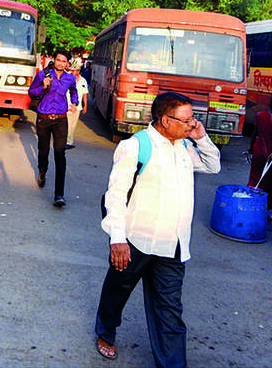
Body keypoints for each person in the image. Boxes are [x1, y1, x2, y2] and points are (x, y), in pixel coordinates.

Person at [94, 92, 222, 367]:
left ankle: (173, 364)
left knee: (169, 309)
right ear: (166, 120)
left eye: (193, 119)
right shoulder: (137, 146)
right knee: (117, 292)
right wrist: (118, 239)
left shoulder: (185, 147)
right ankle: (105, 332)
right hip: (135, 240)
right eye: (187, 120)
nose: (192, 124)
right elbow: (115, 194)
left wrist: (201, 137)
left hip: (173, 244)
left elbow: (213, 165)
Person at [28, 50, 78, 207]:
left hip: (61, 120)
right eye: (58, 60)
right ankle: (42, 171)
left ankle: (59, 195)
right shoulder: (44, 74)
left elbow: (74, 91)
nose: (61, 63)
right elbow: (31, 92)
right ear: (54, 60)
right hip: (43, 119)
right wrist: (42, 87)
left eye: (64, 61)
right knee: (43, 151)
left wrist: (74, 103)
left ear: (67, 64)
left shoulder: (70, 78)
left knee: (60, 155)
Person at [248, 94, 272, 221]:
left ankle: (250, 204)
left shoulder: (260, 115)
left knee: (255, 177)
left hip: (258, 150)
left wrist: (250, 149)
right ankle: (267, 210)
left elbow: (254, 133)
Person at [65, 59, 89, 149]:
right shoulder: (67, 79)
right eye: (72, 70)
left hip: (78, 107)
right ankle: (65, 141)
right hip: (68, 105)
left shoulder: (83, 81)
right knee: (67, 124)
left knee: (73, 125)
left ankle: (69, 142)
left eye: (75, 70)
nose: (73, 72)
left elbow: (85, 94)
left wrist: (85, 105)